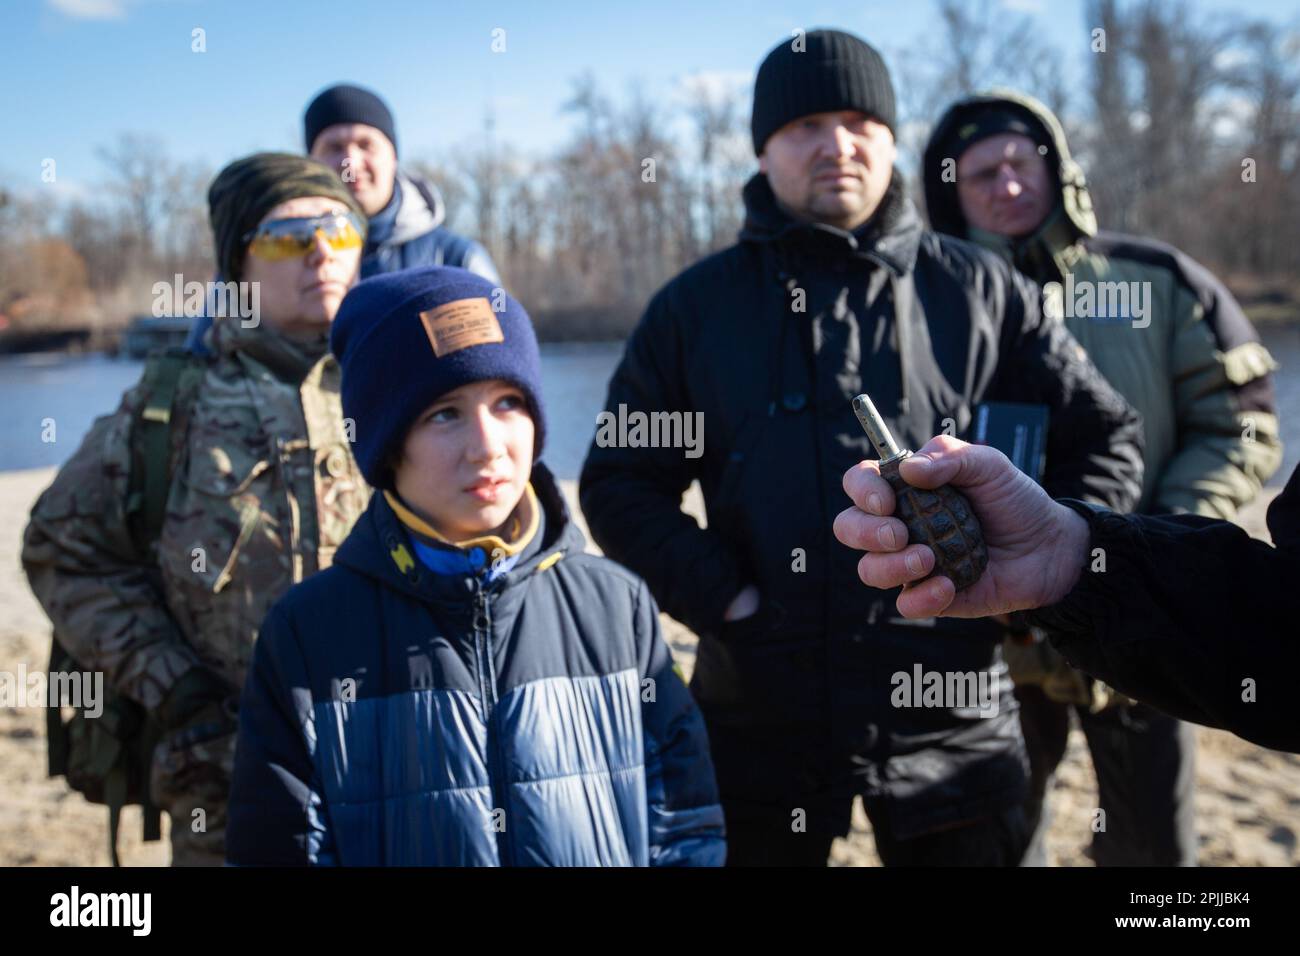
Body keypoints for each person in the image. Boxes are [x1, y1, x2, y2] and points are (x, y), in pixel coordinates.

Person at [579, 29, 1145, 867]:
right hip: (758, 709)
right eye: (804, 125)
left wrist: (1031, 585)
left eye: (857, 120)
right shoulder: (693, 309)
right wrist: (727, 601)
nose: (835, 144)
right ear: (763, 151)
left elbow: (1106, 438)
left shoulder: (985, 290)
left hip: (957, 713)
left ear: (890, 138)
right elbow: (620, 480)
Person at [226, 267, 726, 866]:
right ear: (386, 444)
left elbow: (684, 826)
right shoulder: (308, 634)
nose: (488, 445)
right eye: (445, 413)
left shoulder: (618, 607)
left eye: (508, 402)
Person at [921, 90, 1284, 866]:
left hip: (1154, 608)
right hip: (995, 635)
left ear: (1059, 169)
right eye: (981, 172)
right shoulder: (926, 306)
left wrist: (1165, 538)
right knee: (1004, 833)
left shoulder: (1158, 277)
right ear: (950, 190)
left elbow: (1242, 423)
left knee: (1155, 851)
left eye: (1022, 163)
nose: (1006, 184)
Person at [22, 153, 372, 865]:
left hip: (397, 772)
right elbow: (61, 549)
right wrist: (177, 694)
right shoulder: (171, 404)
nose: (319, 252)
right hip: (225, 785)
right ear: (237, 265)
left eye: (340, 230)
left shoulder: (400, 388)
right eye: (284, 236)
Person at [834, 436, 1298, 755]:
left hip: (1080, 649)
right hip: (1036, 638)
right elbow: (1280, 614)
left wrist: (1155, 521)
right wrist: (1067, 553)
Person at [184, 84, 499, 353]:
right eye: (334, 147)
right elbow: (203, 360)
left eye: (366, 145)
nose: (350, 161)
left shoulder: (456, 260)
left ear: (394, 157)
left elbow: (491, 375)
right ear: (311, 161)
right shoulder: (266, 254)